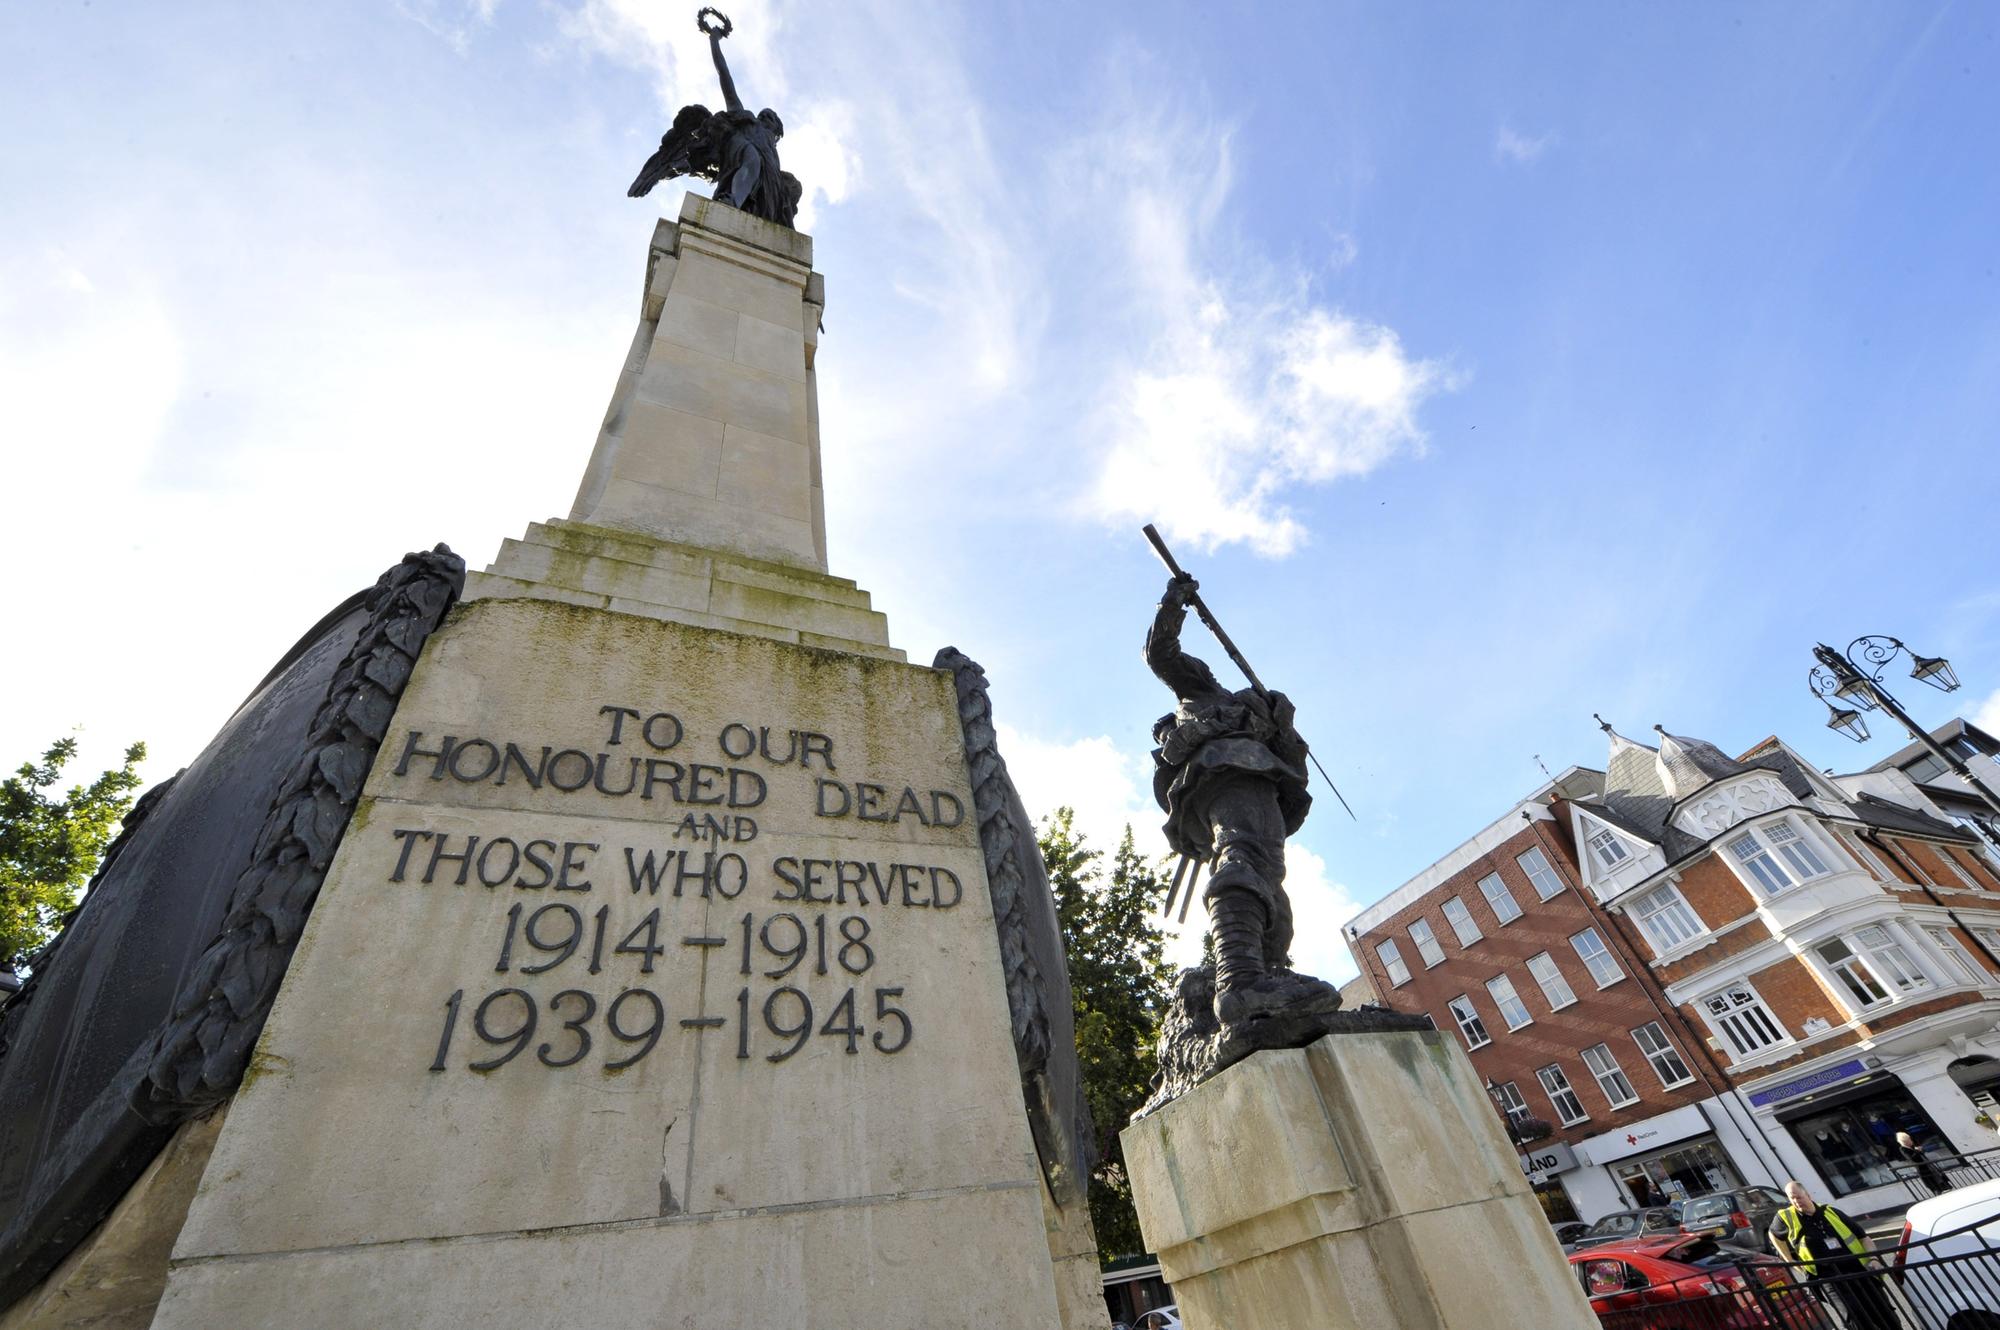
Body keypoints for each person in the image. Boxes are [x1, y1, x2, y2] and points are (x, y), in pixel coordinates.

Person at [1144, 574, 1337, 1034]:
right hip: (1228, 773)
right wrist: (1175, 602)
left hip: (1256, 780)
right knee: (1245, 855)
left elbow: (1292, 761)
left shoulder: (1246, 709)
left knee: (1268, 874)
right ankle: (1240, 978)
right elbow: (1160, 654)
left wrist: (1281, 721)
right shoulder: (1199, 695)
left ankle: (1267, 971)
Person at [1768, 1180, 1900, 1330]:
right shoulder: (1786, 1217)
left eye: (1799, 1197)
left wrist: (1874, 1259)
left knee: (1885, 1315)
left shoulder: (1831, 1212)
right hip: (1828, 1279)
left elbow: (1864, 1238)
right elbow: (1773, 1234)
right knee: (1856, 1319)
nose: (1796, 1202)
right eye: (1792, 1198)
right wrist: (1789, 1259)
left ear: (1808, 1195)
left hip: (1860, 1271)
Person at [1896, 1130, 1950, 1196]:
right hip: (1922, 1169)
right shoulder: (1903, 1149)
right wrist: (1917, 1151)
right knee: (1933, 1183)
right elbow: (1912, 1158)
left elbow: (1920, 1154)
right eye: (1909, 1139)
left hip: (1928, 1166)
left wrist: (1919, 1150)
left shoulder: (1912, 1147)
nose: (1911, 1140)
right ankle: (1939, 1191)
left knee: (1939, 1178)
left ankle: (1945, 1187)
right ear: (1905, 1141)